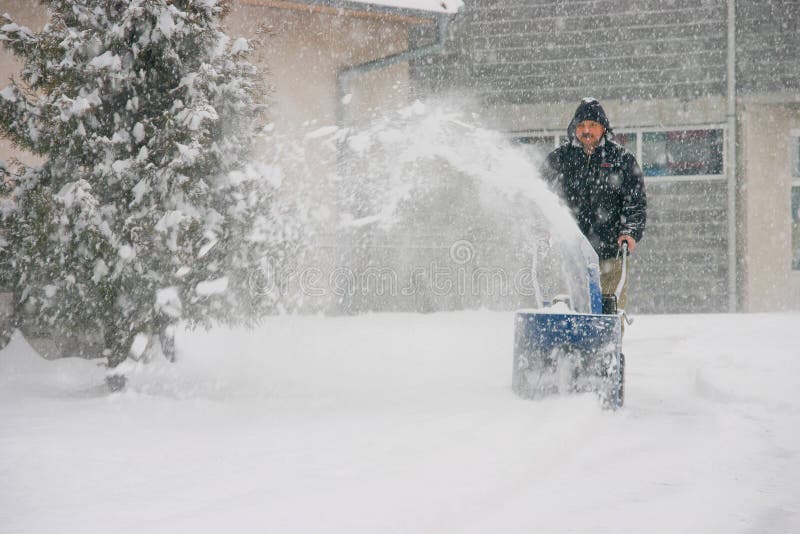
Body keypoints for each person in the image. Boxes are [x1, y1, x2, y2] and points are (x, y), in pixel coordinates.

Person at [542, 98, 646, 315]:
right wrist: (544, 227)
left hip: (610, 253)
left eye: (592, 125)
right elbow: (541, 197)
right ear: (574, 128)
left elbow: (635, 202)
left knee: (608, 313)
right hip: (570, 255)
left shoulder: (621, 159)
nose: (586, 130)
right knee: (568, 312)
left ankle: (609, 336)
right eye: (581, 125)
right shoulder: (559, 159)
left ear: (603, 128)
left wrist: (630, 232)